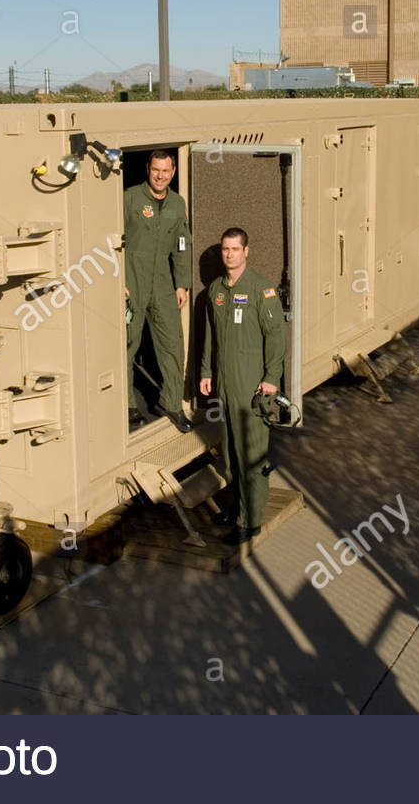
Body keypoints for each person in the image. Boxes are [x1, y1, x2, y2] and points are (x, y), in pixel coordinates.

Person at [199, 227, 287, 544]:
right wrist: (207, 371)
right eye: (225, 249)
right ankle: (238, 507)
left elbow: (276, 336)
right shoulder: (216, 291)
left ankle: (250, 521)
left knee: (251, 455)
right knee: (230, 454)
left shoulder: (261, 290)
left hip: (253, 387)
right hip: (225, 384)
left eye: (235, 249)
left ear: (246, 251)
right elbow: (210, 335)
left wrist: (271, 378)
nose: (229, 254)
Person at [124, 149, 193, 432]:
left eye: (166, 171)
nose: (160, 176)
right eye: (156, 170)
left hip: (163, 281)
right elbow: (112, 238)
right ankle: (127, 404)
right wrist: (119, 280)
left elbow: (181, 244)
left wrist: (182, 283)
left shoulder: (177, 203)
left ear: (173, 172)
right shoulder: (130, 198)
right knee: (129, 341)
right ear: (147, 169)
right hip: (133, 277)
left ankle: (171, 403)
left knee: (173, 344)